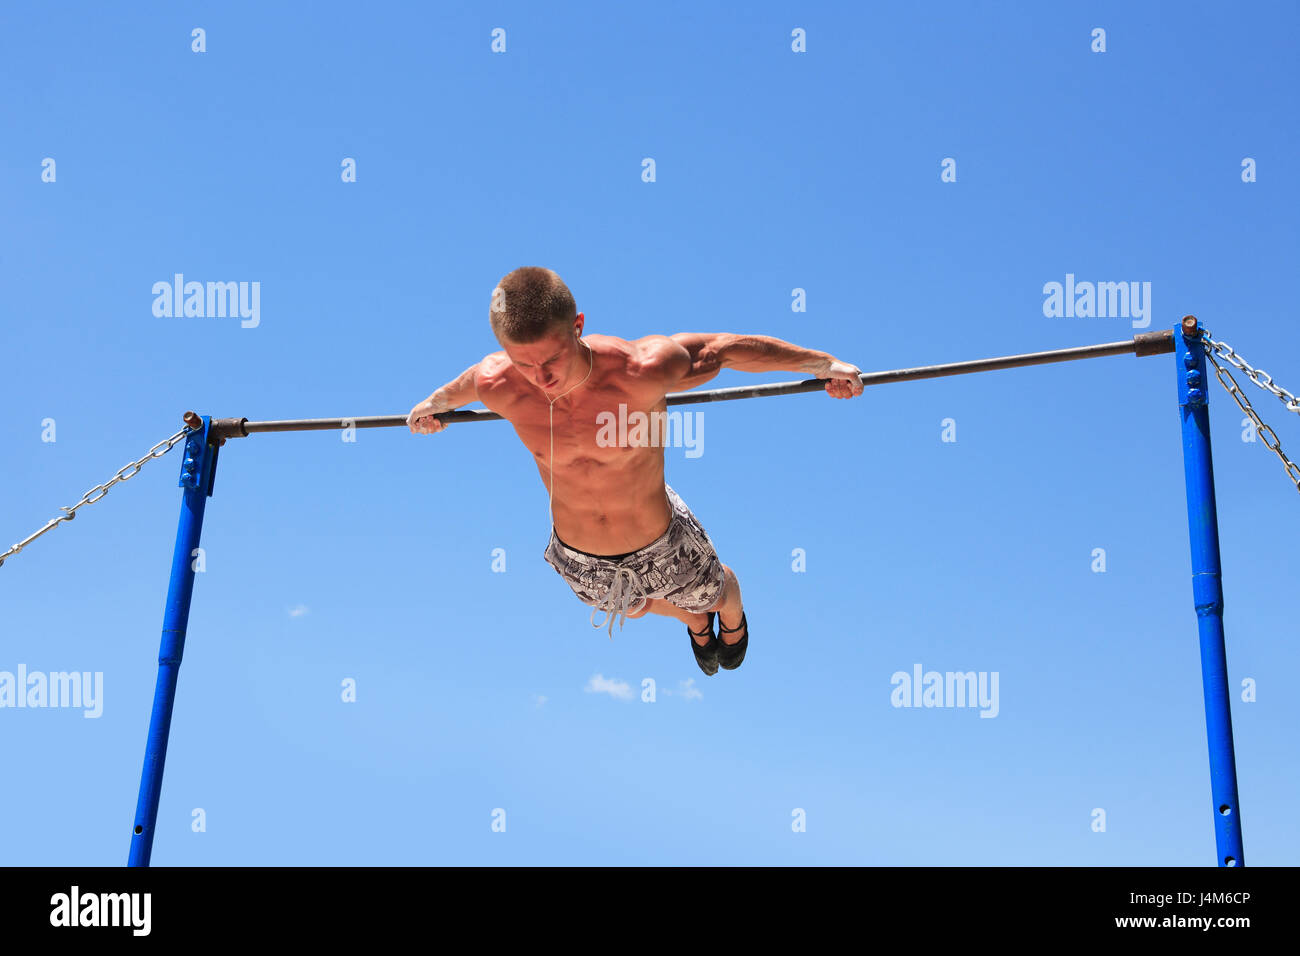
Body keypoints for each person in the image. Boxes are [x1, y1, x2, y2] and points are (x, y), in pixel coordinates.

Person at [408, 267, 864, 675]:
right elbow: (464, 385)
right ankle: (692, 622)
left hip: (663, 545)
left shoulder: (639, 369)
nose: (541, 377)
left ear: (578, 326)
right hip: (579, 558)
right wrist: (433, 405)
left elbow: (721, 351)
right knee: (633, 607)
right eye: (524, 364)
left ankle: (729, 610)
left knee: (713, 594)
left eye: (551, 360)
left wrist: (824, 365)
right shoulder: (497, 382)